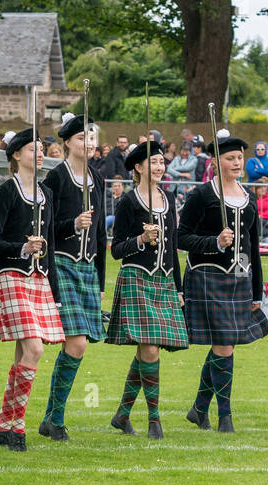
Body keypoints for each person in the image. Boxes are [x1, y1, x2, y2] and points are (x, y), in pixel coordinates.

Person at [176, 129, 268, 433]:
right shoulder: (201, 195)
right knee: (225, 345)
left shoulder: (249, 199)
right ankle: (224, 416)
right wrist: (214, 242)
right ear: (216, 162)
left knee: (225, 344)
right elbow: (181, 237)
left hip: (240, 280)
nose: (236, 163)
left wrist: (257, 292)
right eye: (230, 158)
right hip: (206, 276)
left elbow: (253, 250)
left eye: (239, 158)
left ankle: (199, 409)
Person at [106, 140, 188, 438]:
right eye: (152, 162)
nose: (159, 166)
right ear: (138, 168)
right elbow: (116, 250)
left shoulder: (167, 200)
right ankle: (154, 419)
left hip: (164, 281)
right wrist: (140, 240)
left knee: (147, 351)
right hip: (137, 278)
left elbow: (174, 249)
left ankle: (122, 415)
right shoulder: (128, 202)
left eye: (161, 161)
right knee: (150, 348)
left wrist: (179, 288)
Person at [0, 128, 63, 451]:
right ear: (17, 155)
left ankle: (2, 425)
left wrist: (56, 292)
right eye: (34, 149)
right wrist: (21, 248)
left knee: (24, 353)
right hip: (11, 276)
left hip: (39, 280)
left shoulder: (46, 193)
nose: (41, 153)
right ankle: (17, 426)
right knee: (35, 350)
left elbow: (53, 247)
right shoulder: (6, 192)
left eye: (43, 148)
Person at [35, 113, 107, 442]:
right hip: (61, 263)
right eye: (81, 138)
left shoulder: (98, 178)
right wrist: (71, 225)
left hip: (88, 266)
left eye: (90, 138)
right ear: (67, 142)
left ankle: (51, 418)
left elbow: (102, 234)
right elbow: (44, 227)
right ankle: (55, 418)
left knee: (79, 346)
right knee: (75, 343)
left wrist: (102, 279)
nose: (88, 144)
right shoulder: (55, 179)